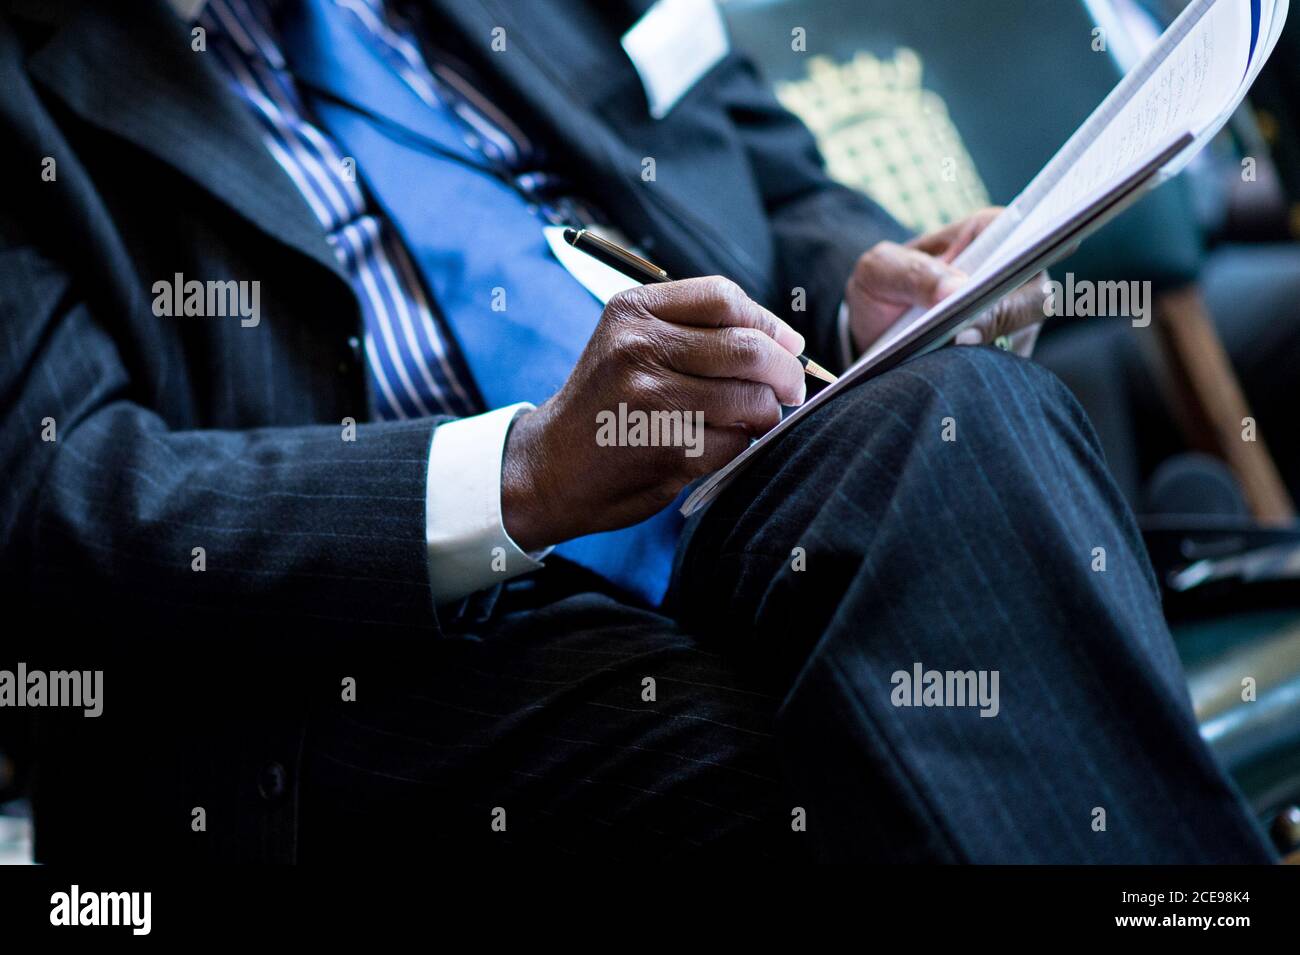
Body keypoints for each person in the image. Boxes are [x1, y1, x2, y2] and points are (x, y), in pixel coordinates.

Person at [0, 0, 1273, 862]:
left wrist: (846, 286)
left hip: (743, 499)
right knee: (770, 761)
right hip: (349, 662)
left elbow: (773, 175)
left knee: (961, 412)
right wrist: (524, 474)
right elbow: (53, 498)